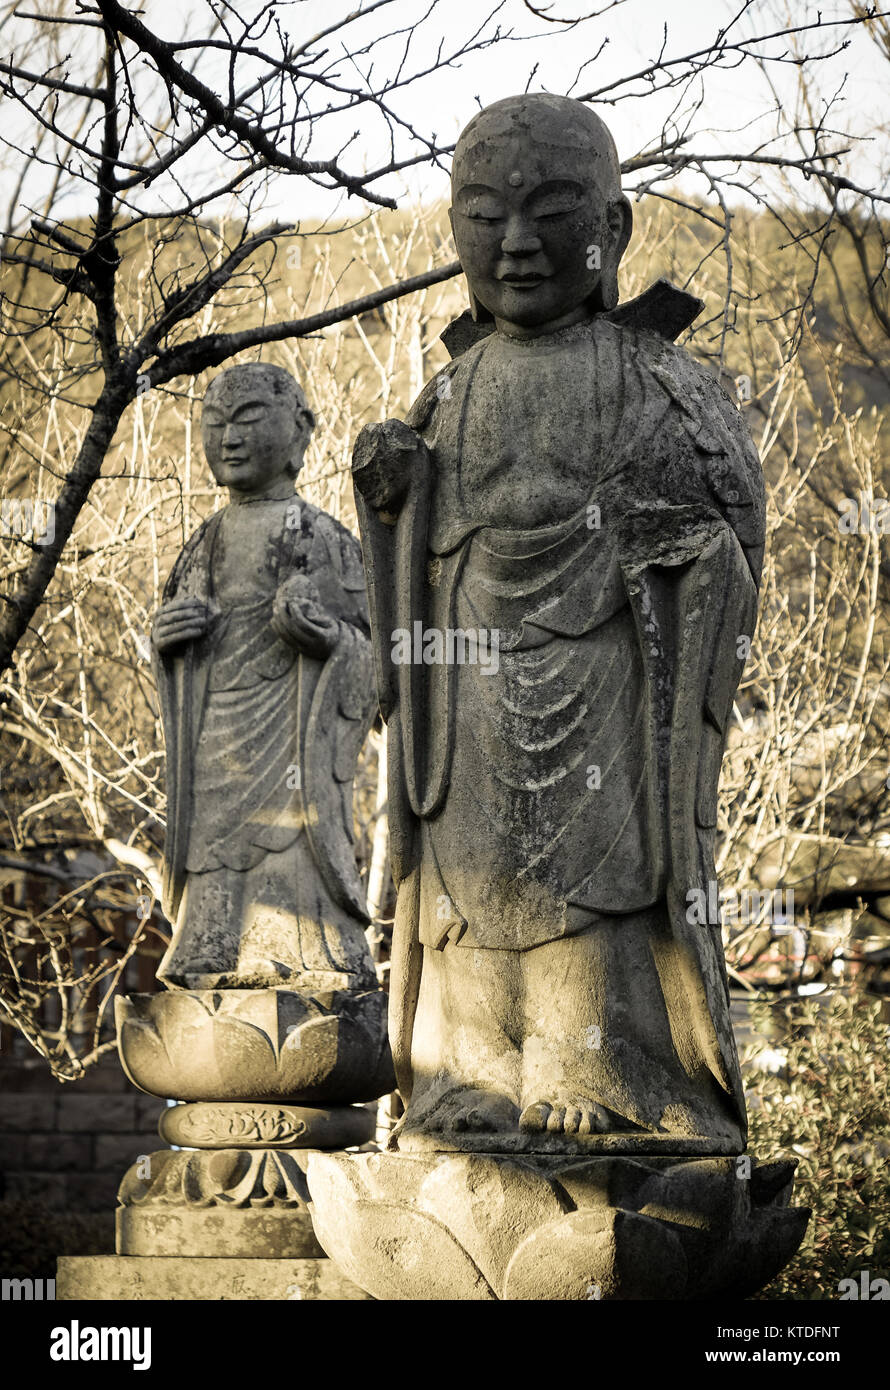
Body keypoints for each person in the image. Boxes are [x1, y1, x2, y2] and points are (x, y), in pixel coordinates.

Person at [353, 94, 766, 1154]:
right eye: (483, 216)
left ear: (613, 229)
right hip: (465, 680)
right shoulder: (444, 393)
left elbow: (728, 540)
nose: (519, 242)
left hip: (606, 682)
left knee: (598, 872)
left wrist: (667, 548)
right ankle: (467, 1072)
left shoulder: (658, 380)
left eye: (550, 210)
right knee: (462, 874)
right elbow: (396, 570)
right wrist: (389, 502)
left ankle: (594, 1061)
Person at [152, 363, 376, 994]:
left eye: (248, 418)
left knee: (288, 849)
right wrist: (170, 649)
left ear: (301, 431)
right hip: (216, 749)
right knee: (216, 867)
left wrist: (329, 641)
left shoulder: (323, 538)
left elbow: (378, 665)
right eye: (214, 423)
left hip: (294, 746)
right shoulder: (201, 544)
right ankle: (209, 946)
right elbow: (176, 658)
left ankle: (301, 950)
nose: (229, 437)